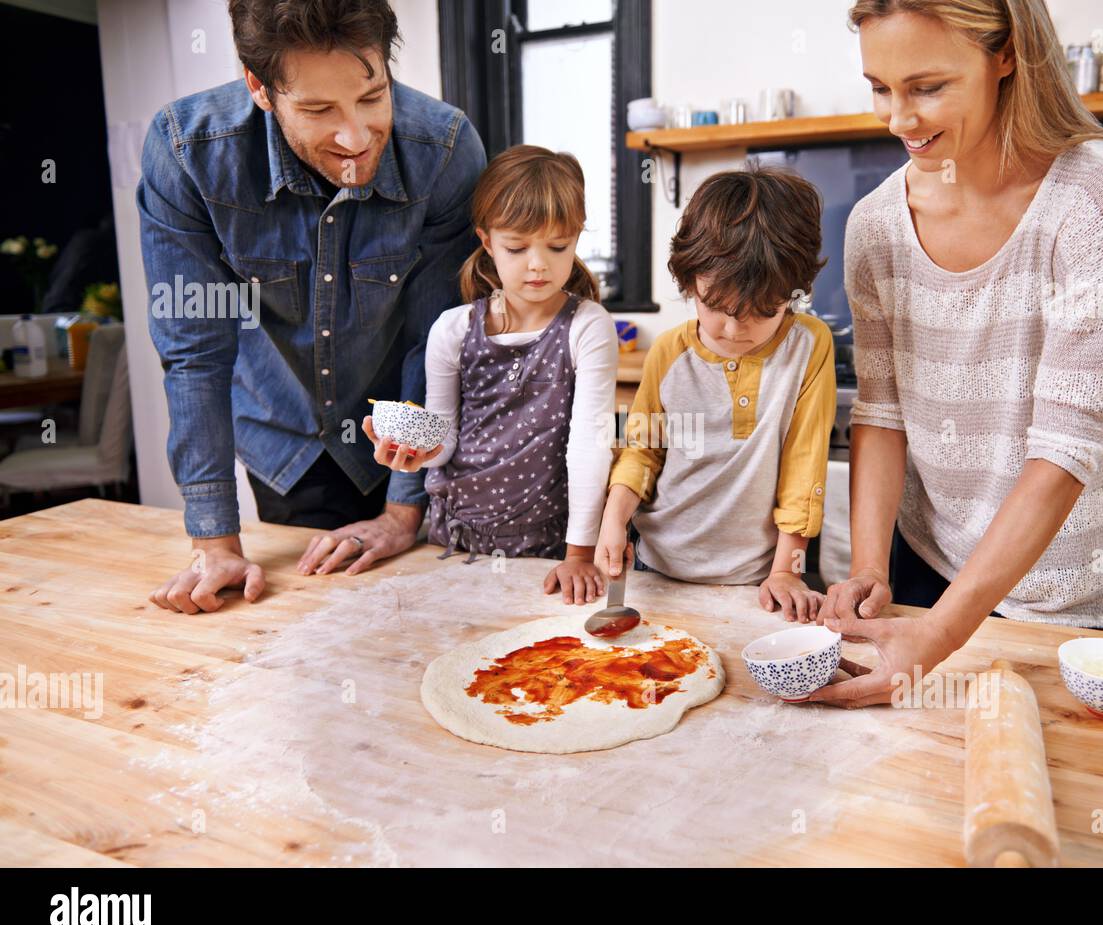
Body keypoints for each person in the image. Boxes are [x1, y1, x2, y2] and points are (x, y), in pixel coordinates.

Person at [812, 0, 1103, 706]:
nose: (898, 119)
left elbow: (1065, 447)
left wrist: (941, 636)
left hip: (1065, 578)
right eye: (880, 87)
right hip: (926, 559)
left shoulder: (1097, 192)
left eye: (927, 86)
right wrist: (870, 565)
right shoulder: (877, 225)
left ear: (1006, 56)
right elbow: (880, 410)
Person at [139, 0, 484, 613]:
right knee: (312, 627)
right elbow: (196, 354)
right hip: (286, 438)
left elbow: (431, 343)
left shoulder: (445, 148)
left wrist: (403, 512)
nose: (354, 136)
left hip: (401, 429)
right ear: (260, 88)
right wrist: (215, 542)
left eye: (373, 97)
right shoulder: (188, 152)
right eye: (319, 110)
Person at [364, 146, 619, 605]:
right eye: (517, 247)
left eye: (557, 246)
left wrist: (580, 553)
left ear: (577, 237)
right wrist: (415, 454)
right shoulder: (453, 329)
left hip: (553, 546)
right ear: (486, 241)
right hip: (458, 540)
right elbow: (445, 445)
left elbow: (590, 444)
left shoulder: (589, 326)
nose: (538, 263)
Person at [595, 166, 838, 622]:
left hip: (757, 579)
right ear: (689, 283)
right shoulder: (668, 352)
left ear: (793, 292)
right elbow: (642, 452)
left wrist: (788, 571)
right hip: (655, 568)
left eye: (761, 312)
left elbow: (805, 464)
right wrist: (613, 519)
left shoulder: (809, 346)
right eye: (714, 307)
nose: (732, 329)